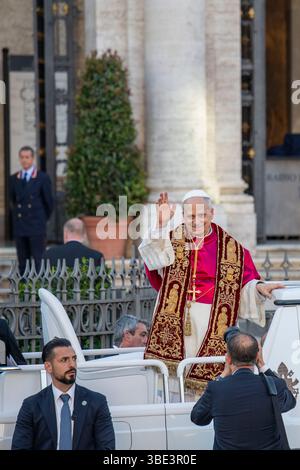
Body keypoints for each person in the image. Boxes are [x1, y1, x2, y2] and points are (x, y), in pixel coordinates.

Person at [139, 190, 283, 391]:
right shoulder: (171, 240)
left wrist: (259, 287)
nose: (197, 221)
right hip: (175, 318)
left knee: (209, 381)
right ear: (183, 215)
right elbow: (152, 261)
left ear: (211, 214)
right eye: (191, 216)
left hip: (212, 319)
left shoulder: (232, 249)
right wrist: (161, 224)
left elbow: (247, 281)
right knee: (171, 382)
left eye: (202, 215)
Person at [190, 331, 296, 450]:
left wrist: (223, 374)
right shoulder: (275, 385)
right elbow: (291, 402)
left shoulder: (216, 389)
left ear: (228, 359)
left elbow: (197, 418)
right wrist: (262, 365)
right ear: (257, 356)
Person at [11, 337, 115, 450]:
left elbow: (107, 449)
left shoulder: (96, 402)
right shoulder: (31, 406)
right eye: (64, 360)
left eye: (74, 359)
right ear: (48, 367)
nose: (72, 365)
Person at [9, 146, 53, 274]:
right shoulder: (14, 179)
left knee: (39, 262)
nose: (24, 160)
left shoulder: (42, 177)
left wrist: (41, 220)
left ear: (32, 159)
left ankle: (39, 291)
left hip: (36, 227)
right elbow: (13, 200)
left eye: (27, 157)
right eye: (22, 157)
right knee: (23, 263)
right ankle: (24, 292)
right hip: (20, 227)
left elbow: (49, 203)